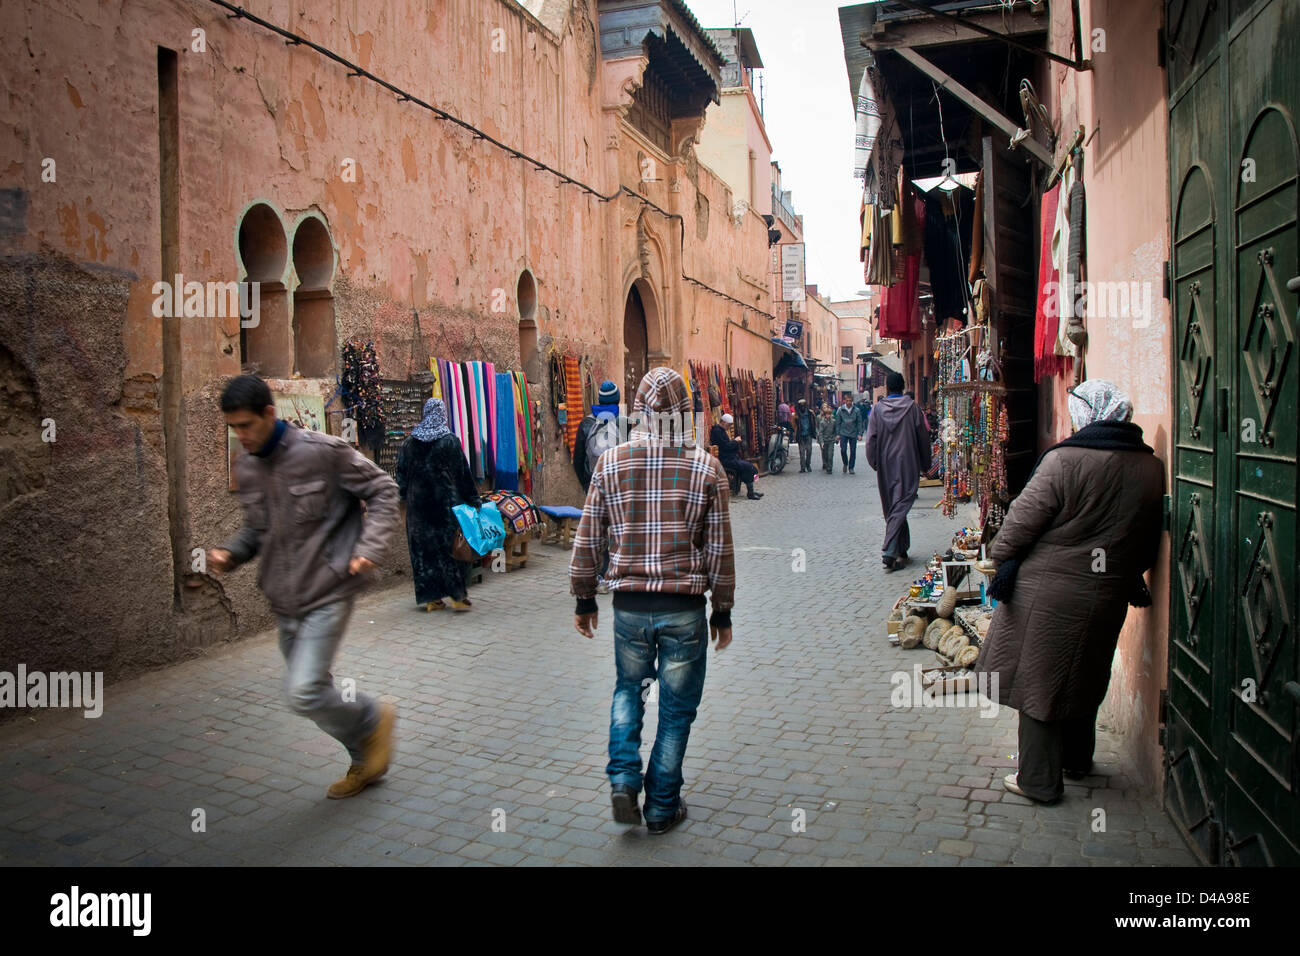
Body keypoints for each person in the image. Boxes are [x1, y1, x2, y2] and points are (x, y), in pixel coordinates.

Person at [208, 375, 399, 799]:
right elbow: (256, 530)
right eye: (233, 428)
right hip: (284, 599)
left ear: (269, 414)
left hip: (330, 589)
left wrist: (369, 547)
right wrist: (231, 553)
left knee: (304, 691)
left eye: (246, 426)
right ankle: (365, 758)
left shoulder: (322, 452)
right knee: (316, 692)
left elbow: (383, 489)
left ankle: (371, 718)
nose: (241, 436)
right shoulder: (248, 467)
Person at [977, 381, 1164, 804]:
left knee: (1039, 684)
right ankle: (1077, 760)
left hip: (1050, 594)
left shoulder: (1064, 460)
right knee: (1084, 673)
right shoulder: (1149, 467)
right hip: (1109, 591)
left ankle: (1039, 781)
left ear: (1088, 414)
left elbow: (1021, 522)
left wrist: (999, 555)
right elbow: (1147, 538)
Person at [570, 367, 736, 835]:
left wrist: (585, 599)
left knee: (629, 690)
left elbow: (589, 539)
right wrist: (721, 610)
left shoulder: (611, 464)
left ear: (638, 408)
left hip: (628, 608)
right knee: (676, 711)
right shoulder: (707, 467)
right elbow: (719, 550)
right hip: (684, 610)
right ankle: (662, 806)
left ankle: (624, 777)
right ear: (685, 410)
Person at [396, 397, 481, 612]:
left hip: (418, 510)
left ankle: (432, 599)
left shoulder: (409, 443)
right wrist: (473, 499)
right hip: (445, 507)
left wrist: (403, 495)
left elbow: (402, 476)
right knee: (451, 551)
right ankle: (458, 597)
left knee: (424, 554)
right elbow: (463, 474)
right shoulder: (450, 441)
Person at [864, 371, 931, 571]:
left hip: (886, 463)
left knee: (893, 505)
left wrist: (875, 462)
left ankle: (900, 548)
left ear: (887, 387)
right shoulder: (912, 408)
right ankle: (890, 551)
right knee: (901, 504)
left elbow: (871, 439)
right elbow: (923, 437)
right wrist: (925, 463)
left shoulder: (877, 410)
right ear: (902, 387)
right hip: (908, 462)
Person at [710, 413, 762, 499]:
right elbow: (725, 447)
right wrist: (735, 441)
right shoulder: (717, 431)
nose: (729, 427)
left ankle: (751, 491)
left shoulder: (720, 430)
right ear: (723, 422)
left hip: (730, 458)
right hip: (726, 460)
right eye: (729, 424)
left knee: (749, 467)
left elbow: (726, 445)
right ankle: (751, 493)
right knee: (748, 467)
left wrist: (734, 441)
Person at [834, 392, 862, 474]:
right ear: (844, 401)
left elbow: (859, 422)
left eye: (850, 400)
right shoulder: (840, 410)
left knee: (853, 451)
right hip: (843, 433)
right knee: (843, 450)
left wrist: (860, 434)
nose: (849, 402)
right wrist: (837, 434)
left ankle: (851, 467)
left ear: (852, 401)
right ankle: (845, 463)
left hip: (853, 432)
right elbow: (838, 422)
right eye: (847, 400)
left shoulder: (856, 410)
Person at [794, 398, 816, 473]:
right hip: (800, 435)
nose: (803, 407)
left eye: (804, 405)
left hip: (808, 434)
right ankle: (802, 467)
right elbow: (794, 425)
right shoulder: (796, 415)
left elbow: (814, 423)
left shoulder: (810, 413)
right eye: (801, 405)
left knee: (809, 451)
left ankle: (808, 464)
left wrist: (814, 432)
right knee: (802, 452)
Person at [815, 402, 836, 474]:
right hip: (824, 440)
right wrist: (821, 441)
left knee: (830, 454)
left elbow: (835, 430)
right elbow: (819, 431)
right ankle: (826, 464)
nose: (828, 416)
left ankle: (829, 468)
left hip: (831, 440)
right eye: (827, 414)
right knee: (825, 454)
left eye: (829, 414)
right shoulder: (821, 421)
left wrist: (836, 438)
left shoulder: (833, 421)